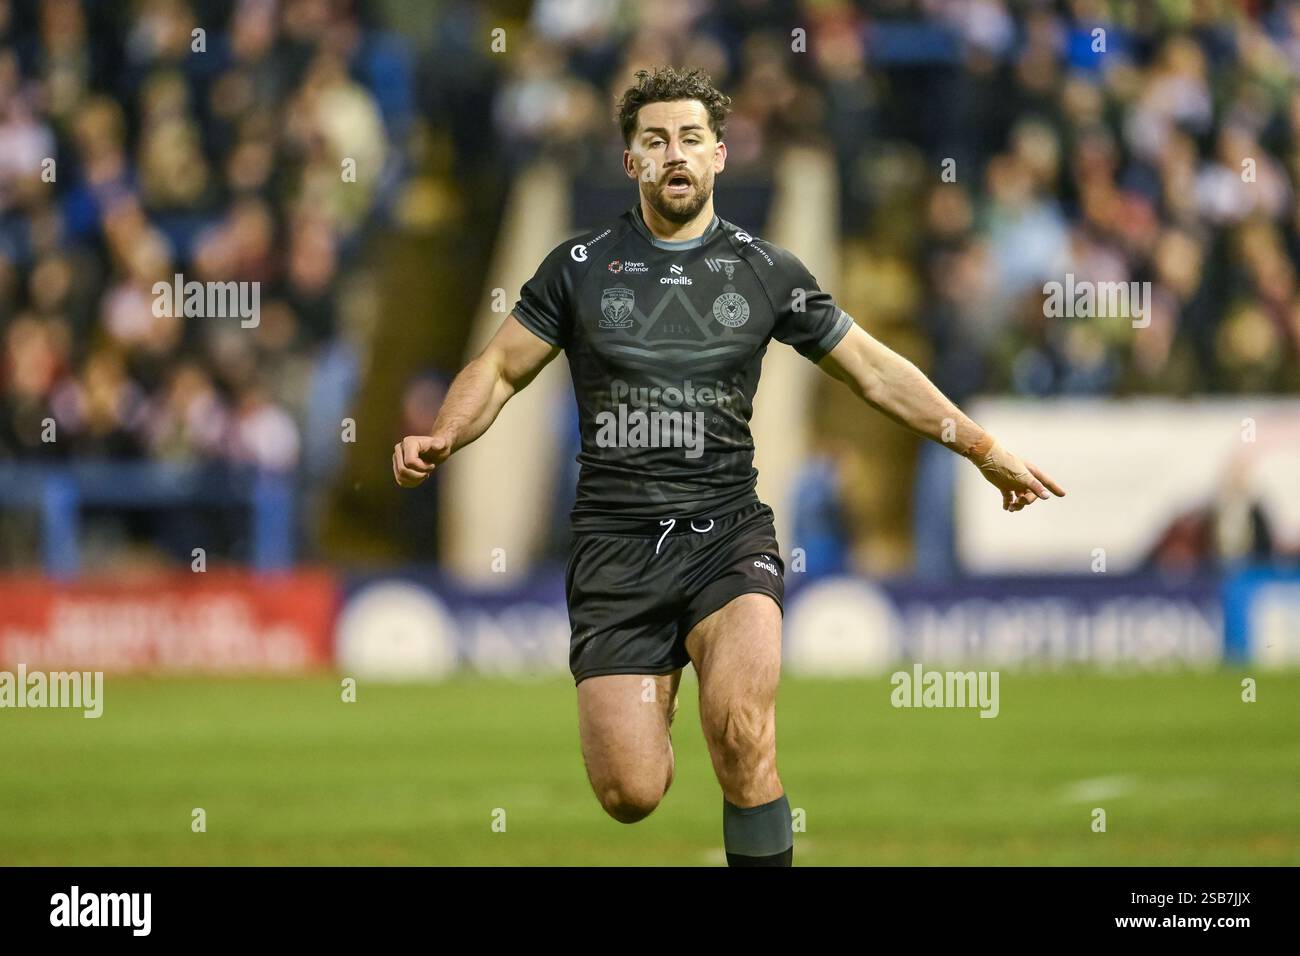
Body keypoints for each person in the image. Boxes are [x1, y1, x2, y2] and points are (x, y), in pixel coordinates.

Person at [392, 66, 1065, 866]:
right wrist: (444, 433)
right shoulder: (577, 267)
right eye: (654, 141)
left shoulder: (768, 272)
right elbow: (501, 369)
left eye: (689, 138)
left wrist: (984, 449)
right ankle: (654, 687)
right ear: (631, 162)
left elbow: (876, 371)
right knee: (630, 793)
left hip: (727, 536)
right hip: (615, 548)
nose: (673, 154)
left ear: (717, 154)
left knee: (743, 731)